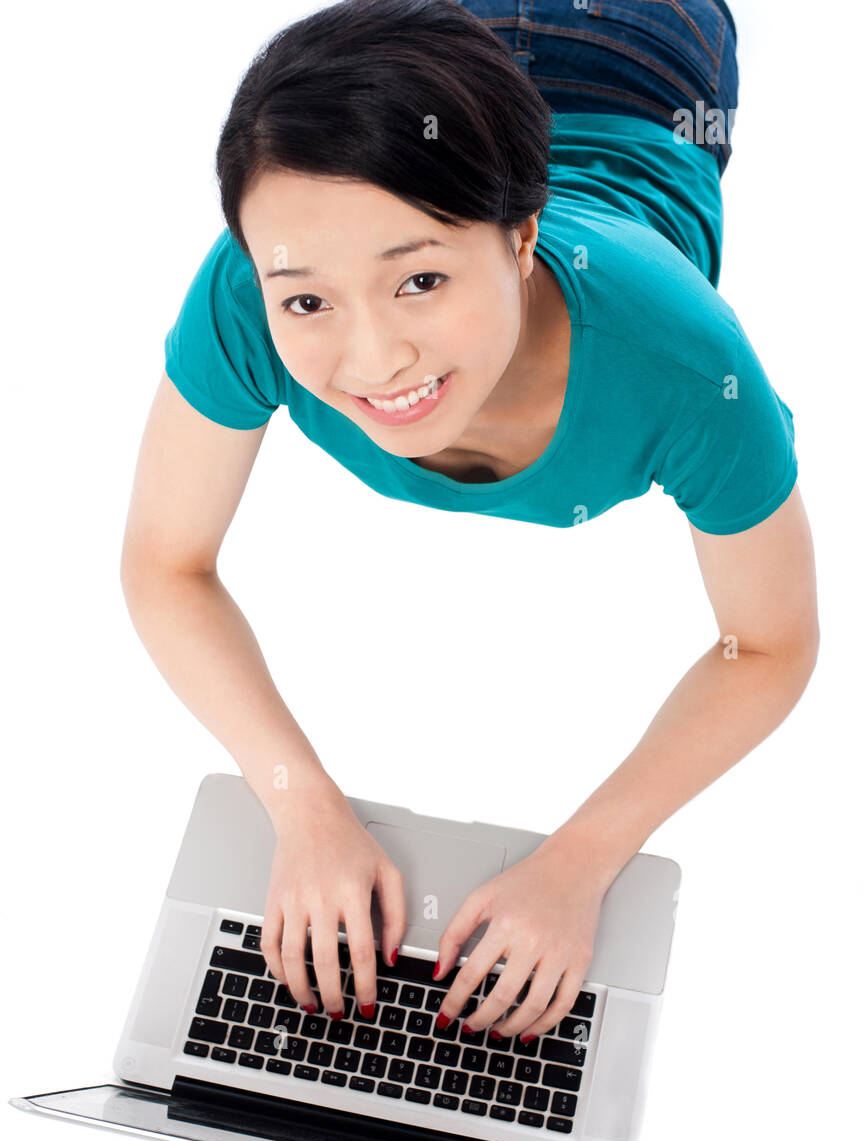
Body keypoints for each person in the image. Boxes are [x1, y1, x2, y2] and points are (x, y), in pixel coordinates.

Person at [121, 0, 818, 1045]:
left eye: (422, 279)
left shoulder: (688, 366)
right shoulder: (245, 293)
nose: (373, 359)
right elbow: (164, 564)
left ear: (524, 236)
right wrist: (301, 807)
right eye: (308, 302)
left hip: (634, 46)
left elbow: (768, 642)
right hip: (446, 48)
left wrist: (581, 861)